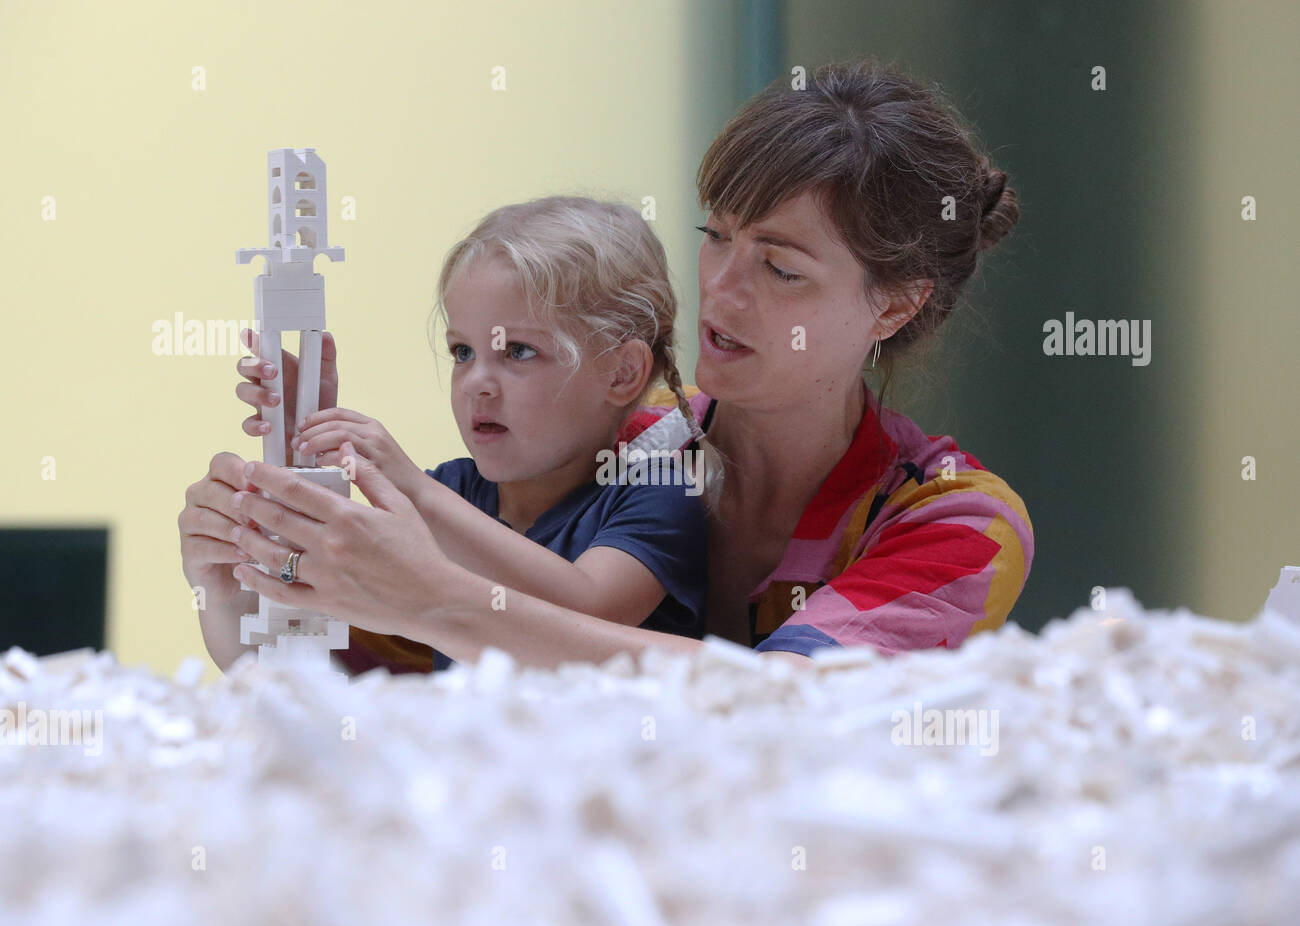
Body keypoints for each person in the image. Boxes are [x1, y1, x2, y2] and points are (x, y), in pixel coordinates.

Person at [181, 58, 1034, 672]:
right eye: (717, 237)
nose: (723, 292)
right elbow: (374, 673)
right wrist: (252, 562)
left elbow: (794, 717)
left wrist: (430, 593)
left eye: (780, 267)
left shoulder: (955, 525)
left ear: (895, 304)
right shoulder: (601, 432)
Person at [181, 197, 709, 673]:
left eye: (518, 351)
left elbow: (585, 614)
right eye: (462, 352)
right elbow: (285, 669)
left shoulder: (659, 493)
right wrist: (227, 581)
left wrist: (413, 489)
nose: (477, 382)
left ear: (621, 374)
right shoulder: (451, 492)